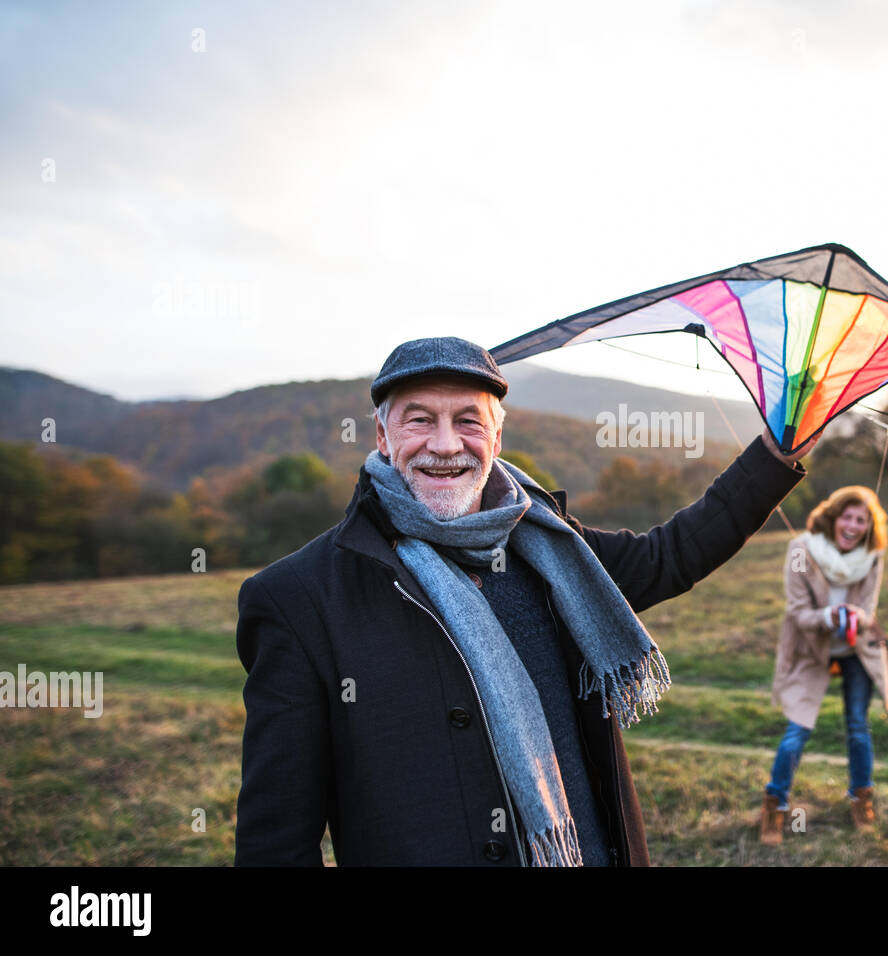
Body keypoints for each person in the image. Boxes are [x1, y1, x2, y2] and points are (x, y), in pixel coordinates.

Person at [234, 336, 814, 866]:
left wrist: (775, 453)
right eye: (419, 420)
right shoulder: (299, 598)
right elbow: (276, 839)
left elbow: (672, 556)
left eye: (468, 420)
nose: (445, 444)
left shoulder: (552, 547)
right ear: (383, 438)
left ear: (496, 436)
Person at [759, 484, 888, 845]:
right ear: (833, 518)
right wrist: (829, 615)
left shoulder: (872, 556)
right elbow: (798, 612)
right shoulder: (801, 549)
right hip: (811, 648)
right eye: (847, 517)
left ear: (869, 526)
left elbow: (868, 607)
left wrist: (856, 617)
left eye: (861, 520)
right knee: (798, 729)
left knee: (858, 727)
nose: (852, 526)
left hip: (855, 651)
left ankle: (861, 797)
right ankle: (775, 804)